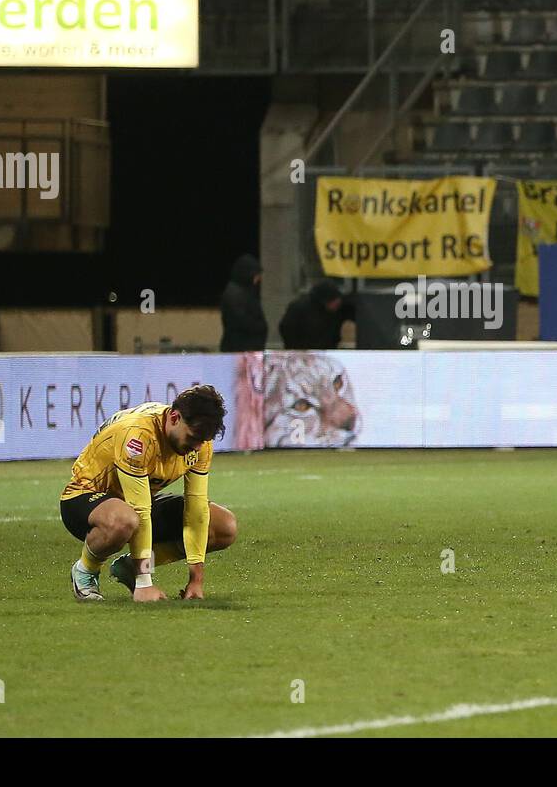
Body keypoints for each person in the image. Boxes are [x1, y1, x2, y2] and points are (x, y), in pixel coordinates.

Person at [60, 385, 238, 602]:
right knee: (124, 520)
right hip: (86, 497)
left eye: (204, 441)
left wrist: (196, 580)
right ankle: (85, 570)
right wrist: (144, 583)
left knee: (223, 526)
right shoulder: (138, 437)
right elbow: (139, 509)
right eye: (193, 438)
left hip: (137, 501)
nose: (198, 447)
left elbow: (197, 507)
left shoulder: (200, 444)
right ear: (174, 418)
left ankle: (128, 566)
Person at [279, 280, 346, 350]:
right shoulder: (299, 308)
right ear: (325, 300)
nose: (337, 307)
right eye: (335, 304)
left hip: (326, 350)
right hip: (302, 350)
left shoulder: (333, 311)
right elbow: (287, 328)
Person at [219, 253, 267, 352]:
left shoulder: (245, 292)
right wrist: (259, 328)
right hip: (240, 350)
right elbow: (242, 321)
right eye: (256, 275)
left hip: (246, 350)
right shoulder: (236, 294)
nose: (258, 279)